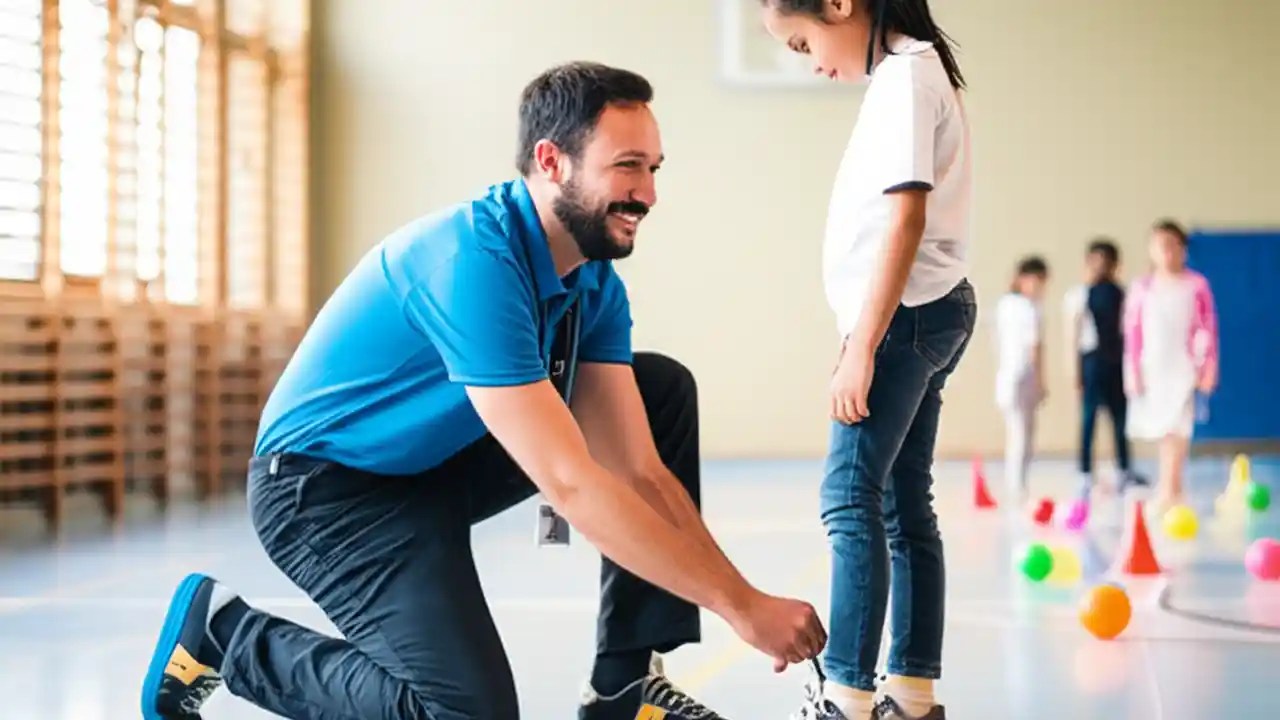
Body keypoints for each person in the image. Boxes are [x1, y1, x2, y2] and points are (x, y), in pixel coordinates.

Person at [139, 61, 827, 720]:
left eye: (652, 169)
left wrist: (744, 597)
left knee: (658, 389)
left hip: (431, 467)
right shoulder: (473, 264)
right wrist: (741, 608)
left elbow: (640, 469)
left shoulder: (592, 282)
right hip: (325, 492)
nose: (647, 193)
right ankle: (225, 638)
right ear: (552, 162)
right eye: (626, 167)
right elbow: (573, 484)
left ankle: (624, 687)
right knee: (465, 713)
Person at [758, 1, 976, 719]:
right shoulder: (910, 71)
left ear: (840, 5)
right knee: (902, 503)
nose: (810, 61)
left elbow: (905, 218)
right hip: (917, 314)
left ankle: (846, 697)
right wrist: (857, 333)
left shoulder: (904, 78)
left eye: (802, 39)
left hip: (907, 320)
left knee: (850, 498)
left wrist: (864, 346)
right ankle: (911, 695)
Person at [1123, 219, 1219, 514]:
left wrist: (1209, 367)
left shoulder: (1196, 286)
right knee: (1162, 428)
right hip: (1153, 366)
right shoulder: (1142, 288)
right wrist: (1133, 371)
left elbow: (1208, 328)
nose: (1167, 252)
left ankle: (1169, 488)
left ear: (1183, 249)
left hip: (1184, 364)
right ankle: (1172, 488)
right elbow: (1133, 332)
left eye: (1172, 245)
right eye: (1160, 245)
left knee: (1179, 426)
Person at [1062, 238, 1145, 523]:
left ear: (1115, 265)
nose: (1100, 266)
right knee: (1088, 420)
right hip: (1092, 362)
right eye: (1095, 260)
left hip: (1117, 363)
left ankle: (1124, 470)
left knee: (1121, 420)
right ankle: (1085, 473)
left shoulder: (1124, 294)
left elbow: (1130, 331)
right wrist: (1074, 372)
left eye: (1106, 261)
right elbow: (1073, 336)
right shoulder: (1079, 295)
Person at [994, 256, 1049, 502]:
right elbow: (1035, 347)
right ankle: (1018, 488)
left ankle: (1015, 484)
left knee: (1016, 433)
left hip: (1006, 375)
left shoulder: (1004, 305)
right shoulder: (1029, 308)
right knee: (1023, 435)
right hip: (1022, 376)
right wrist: (1040, 381)